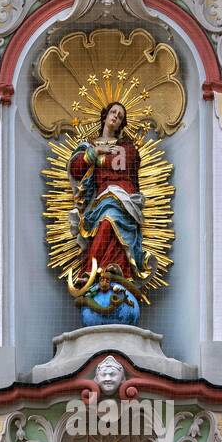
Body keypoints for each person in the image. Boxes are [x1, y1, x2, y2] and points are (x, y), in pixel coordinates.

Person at [67, 101, 149, 296]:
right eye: (113, 112)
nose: (116, 117)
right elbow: (76, 169)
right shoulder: (90, 146)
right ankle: (104, 270)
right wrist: (94, 153)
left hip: (123, 196)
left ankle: (94, 270)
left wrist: (101, 158)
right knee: (105, 222)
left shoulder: (127, 148)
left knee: (109, 221)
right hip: (101, 198)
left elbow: (124, 165)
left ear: (122, 124)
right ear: (105, 115)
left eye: (120, 117)